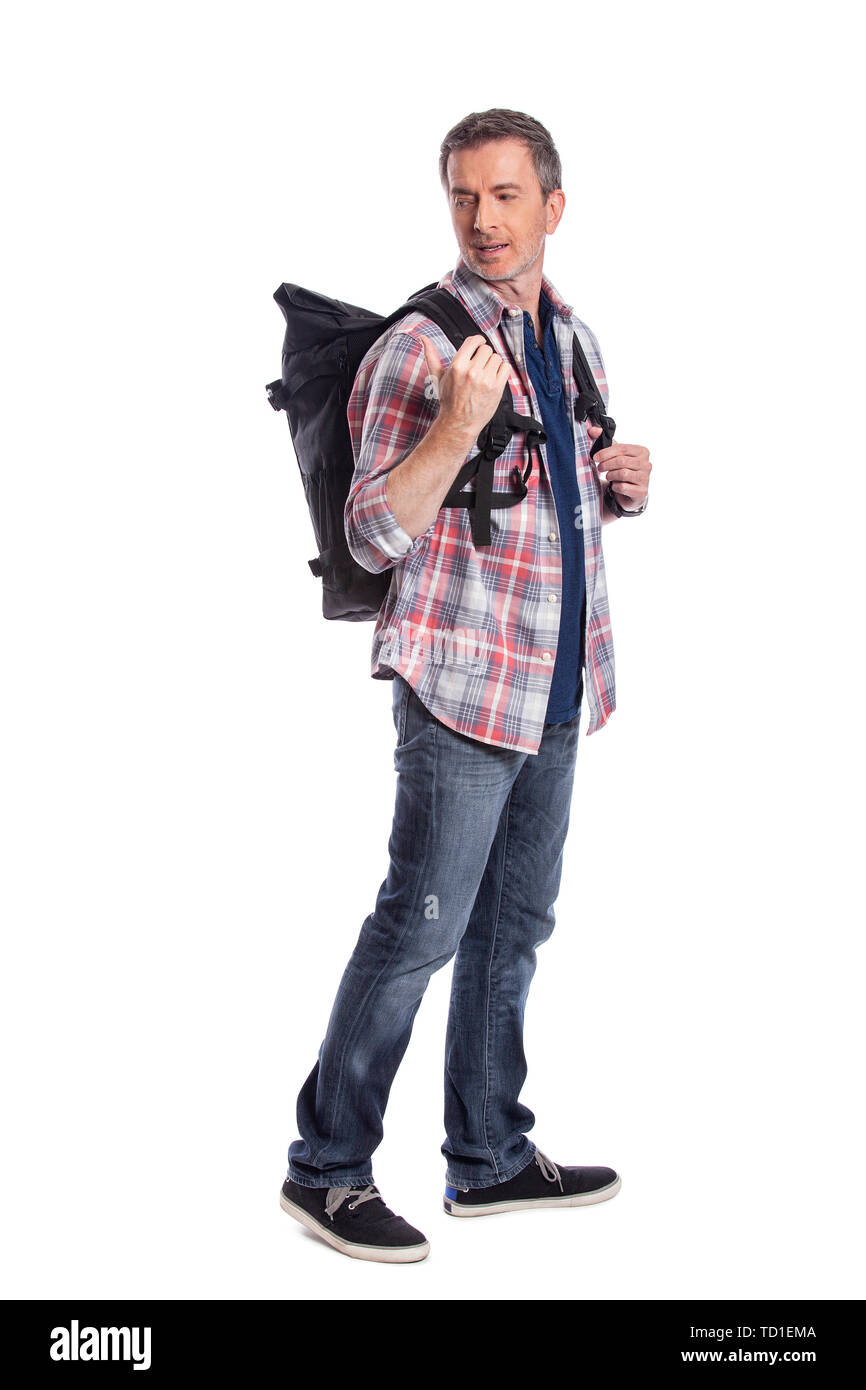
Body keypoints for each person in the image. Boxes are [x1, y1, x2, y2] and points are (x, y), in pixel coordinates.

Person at [280, 108, 652, 1263]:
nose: (481, 220)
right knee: (417, 931)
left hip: (557, 682)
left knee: (515, 926)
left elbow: (552, 499)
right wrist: (452, 423)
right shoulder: (420, 345)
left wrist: (619, 485)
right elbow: (374, 532)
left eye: (502, 196)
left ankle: (488, 1156)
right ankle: (327, 1168)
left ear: (551, 203)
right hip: (458, 691)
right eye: (461, 197)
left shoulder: (576, 340)